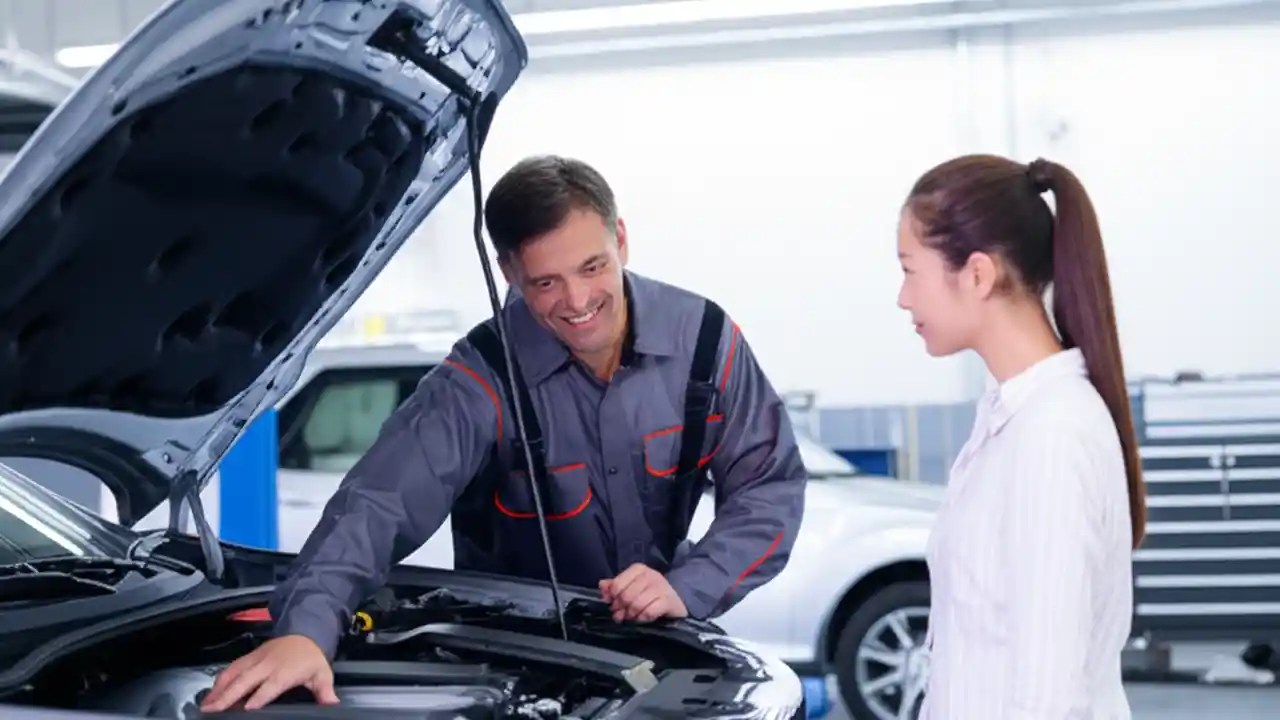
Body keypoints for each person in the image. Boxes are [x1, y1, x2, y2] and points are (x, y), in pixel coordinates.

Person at [199, 155, 807, 712]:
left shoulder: (703, 342)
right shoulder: (481, 378)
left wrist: (687, 585)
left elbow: (770, 487)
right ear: (509, 273)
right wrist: (306, 630)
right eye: (545, 282)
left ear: (620, 239)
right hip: (522, 668)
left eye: (593, 266)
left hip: (665, 650)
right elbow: (378, 503)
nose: (577, 301)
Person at [895, 154, 1146, 718]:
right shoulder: (1012, 420)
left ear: (978, 274)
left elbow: (1048, 695)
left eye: (910, 270)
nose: (903, 297)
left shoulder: (1052, 435)